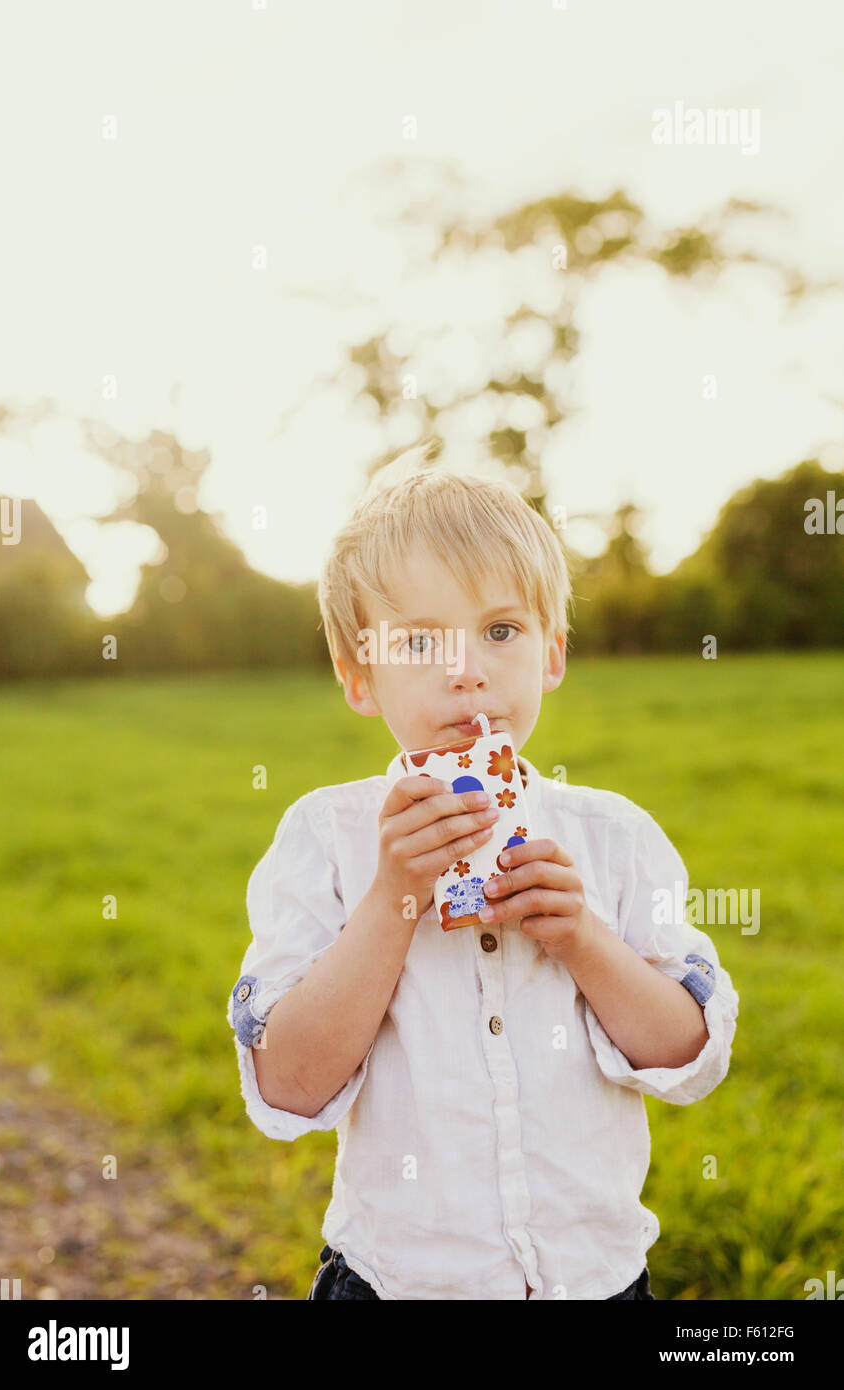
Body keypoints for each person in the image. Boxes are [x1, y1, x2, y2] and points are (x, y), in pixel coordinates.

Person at [227, 452, 739, 1300]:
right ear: (360, 678)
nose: (467, 669)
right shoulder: (326, 840)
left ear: (552, 656)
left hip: (595, 1279)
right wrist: (393, 897)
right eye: (421, 640)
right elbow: (288, 1084)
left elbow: (687, 1055)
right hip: (399, 1280)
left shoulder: (613, 838)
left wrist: (584, 940)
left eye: (501, 631)